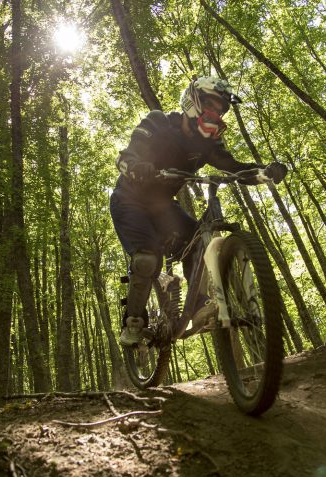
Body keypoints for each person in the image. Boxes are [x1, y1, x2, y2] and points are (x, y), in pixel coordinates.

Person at [110, 76, 288, 346]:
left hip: (163, 205)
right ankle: (134, 322)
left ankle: (200, 306)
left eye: (221, 110)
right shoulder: (158, 123)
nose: (216, 114)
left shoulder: (207, 146)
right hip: (129, 199)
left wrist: (264, 173)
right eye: (211, 106)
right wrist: (136, 167)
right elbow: (126, 156)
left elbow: (235, 167)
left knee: (197, 243)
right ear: (192, 101)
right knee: (147, 260)